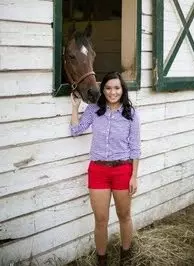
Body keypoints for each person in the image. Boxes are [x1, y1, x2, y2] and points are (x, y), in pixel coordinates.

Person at [70, 71, 141, 266]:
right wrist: (76, 108)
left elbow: (135, 148)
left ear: (122, 90)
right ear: (103, 90)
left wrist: (134, 176)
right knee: (100, 219)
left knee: (124, 216)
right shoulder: (94, 110)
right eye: (108, 88)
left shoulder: (131, 114)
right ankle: (102, 260)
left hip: (122, 170)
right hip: (98, 172)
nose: (112, 92)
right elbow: (76, 130)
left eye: (117, 88)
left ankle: (126, 257)